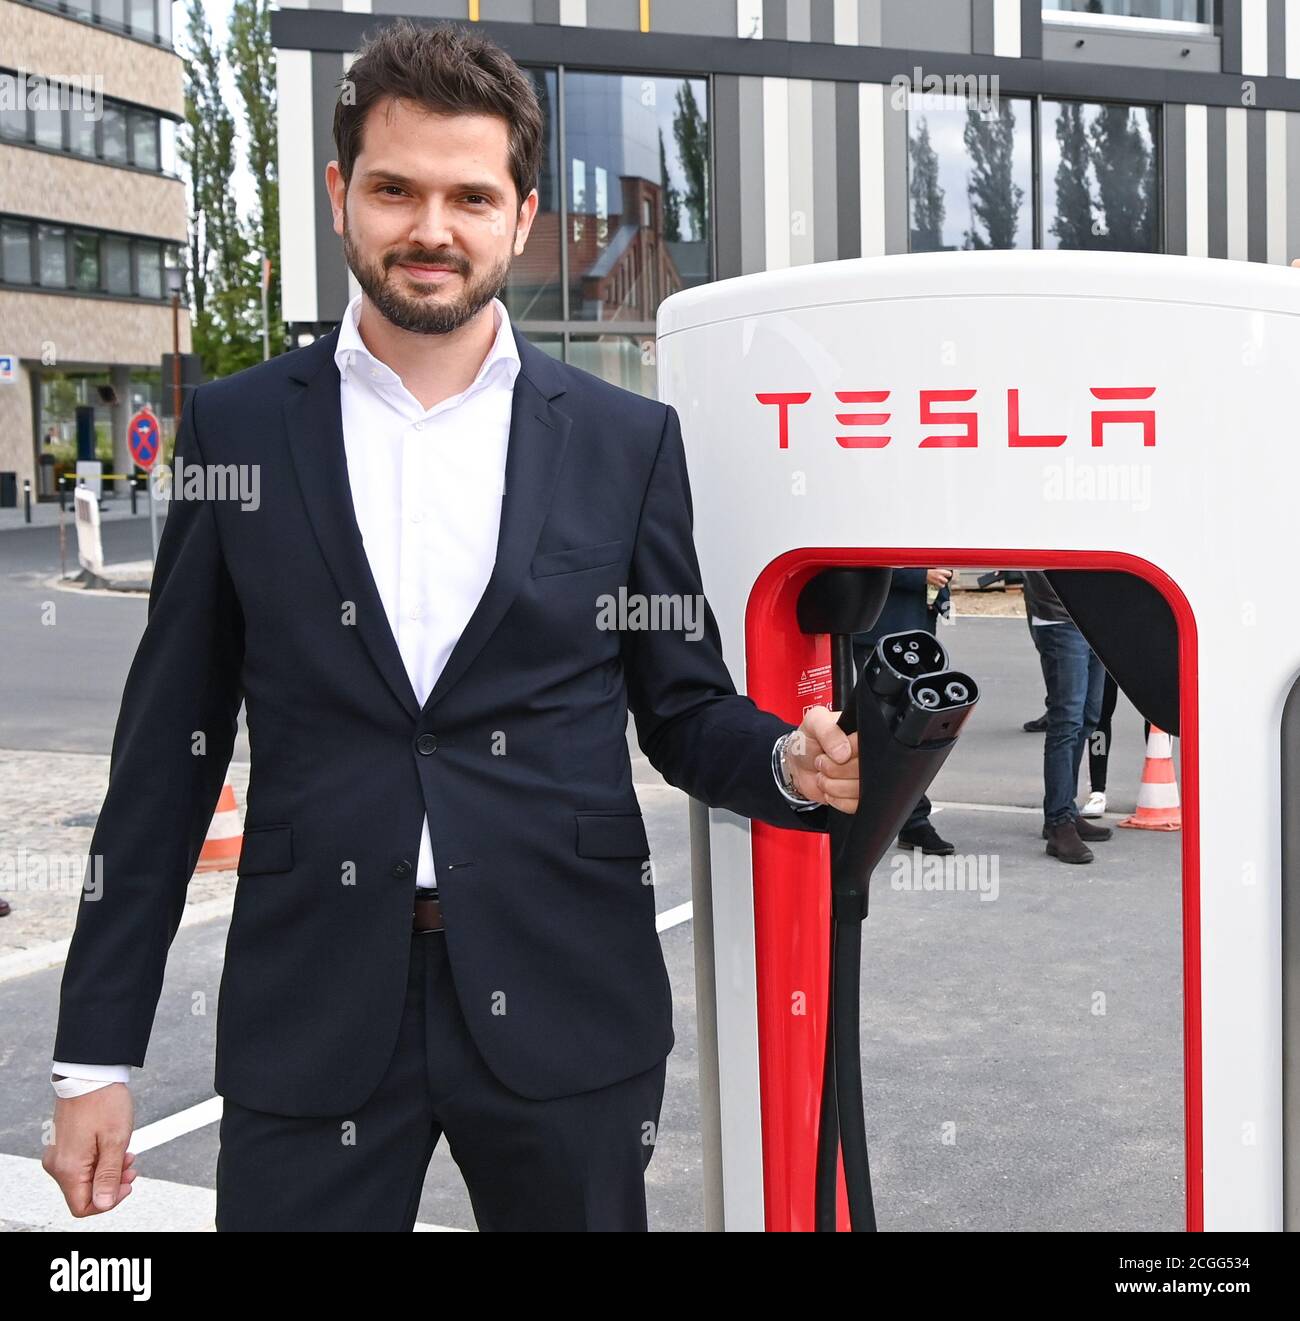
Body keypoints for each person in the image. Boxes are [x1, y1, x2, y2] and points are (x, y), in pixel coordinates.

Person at [41, 20, 863, 1233]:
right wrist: (91, 1057)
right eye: (396, 189)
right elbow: (169, 752)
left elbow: (682, 709)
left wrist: (792, 760)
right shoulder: (241, 432)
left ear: (519, 215)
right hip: (312, 1010)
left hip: (566, 1004)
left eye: (470, 195)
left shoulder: (623, 444)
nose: (433, 228)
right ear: (341, 196)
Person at [852, 567, 955, 854]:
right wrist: (921, 575)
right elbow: (869, 558)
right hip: (882, 631)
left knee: (909, 727)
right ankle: (909, 820)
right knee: (890, 729)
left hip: (914, 629)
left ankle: (908, 820)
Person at [1021, 571, 1112, 864]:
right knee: (1067, 721)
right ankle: (1060, 822)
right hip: (1059, 618)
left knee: (1087, 716)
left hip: (1092, 617)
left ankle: (1064, 812)